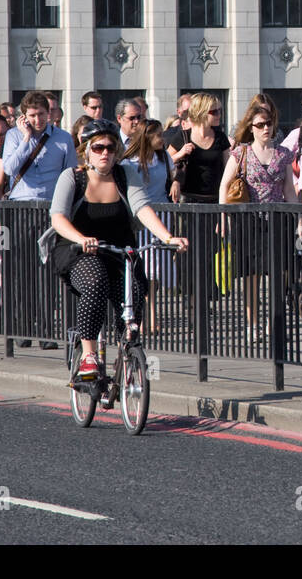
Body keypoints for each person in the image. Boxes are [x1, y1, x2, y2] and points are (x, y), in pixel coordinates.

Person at [47, 119, 188, 379]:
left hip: (119, 250)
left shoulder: (125, 175)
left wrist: (168, 237)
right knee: (95, 282)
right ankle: (89, 355)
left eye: (110, 148)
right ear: (86, 150)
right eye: (98, 148)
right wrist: (80, 238)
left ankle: (127, 350)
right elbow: (58, 218)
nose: (105, 153)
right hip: (79, 251)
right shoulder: (73, 177)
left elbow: (142, 208)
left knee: (136, 291)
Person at [0, 91, 77, 348]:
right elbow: (8, 169)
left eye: (42, 114)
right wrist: (26, 139)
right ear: (24, 117)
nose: (38, 119)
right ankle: (23, 327)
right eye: (32, 115)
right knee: (23, 270)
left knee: (48, 271)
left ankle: (46, 331)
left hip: (52, 210)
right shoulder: (12, 136)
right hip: (22, 208)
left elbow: (71, 175)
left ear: (50, 113)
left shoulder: (63, 139)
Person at [219, 104, 296, 341]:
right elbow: (224, 185)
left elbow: (290, 190)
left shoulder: (283, 154)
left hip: (277, 219)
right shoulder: (241, 153)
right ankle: (252, 324)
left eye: (269, 124)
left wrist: (301, 218)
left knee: (278, 273)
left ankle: (275, 322)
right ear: (251, 128)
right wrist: (223, 217)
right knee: (251, 276)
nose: (265, 128)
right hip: (248, 220)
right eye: (260, 125)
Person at [123, 119, 178, 333]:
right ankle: (143, 316)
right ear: (147, 137)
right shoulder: (131, 161)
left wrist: (176, 181)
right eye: (158, 135)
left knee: (157, 270)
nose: (162, 139)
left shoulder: (163, 157)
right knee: (144, 268)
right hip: (141, 217)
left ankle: (153, 316)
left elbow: (173, 175)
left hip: (162, 215)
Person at [169, 92, 230, 203]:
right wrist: (180, 153)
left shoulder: (220, 137)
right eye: (214, 112)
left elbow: (228, 168)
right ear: (201, 112)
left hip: (215, 200)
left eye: (220, 111)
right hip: (188, 199)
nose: (219, 115)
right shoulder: (183, 136)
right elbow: (164, 162)